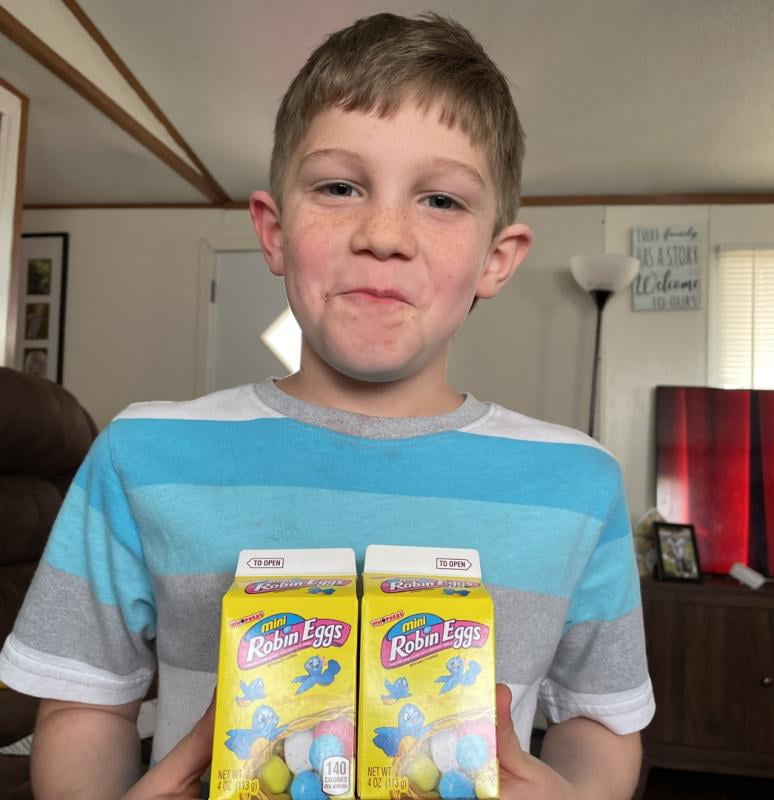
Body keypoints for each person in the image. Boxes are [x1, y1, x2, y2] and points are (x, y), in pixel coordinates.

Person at [0, 12, 654, 800]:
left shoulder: (578, 482)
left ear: (497, 258)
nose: (384, 234)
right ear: (274, 232)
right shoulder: (140, 453)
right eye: (340, 187)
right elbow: (84, 702)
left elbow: (599, 720)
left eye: (441, 200)